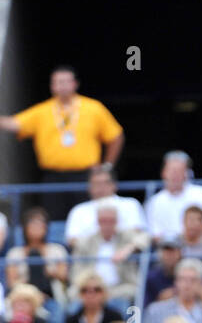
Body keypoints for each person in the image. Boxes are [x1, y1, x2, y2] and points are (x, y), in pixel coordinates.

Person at [0, 67, 123, 214]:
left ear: (75, 84)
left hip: (85, 176)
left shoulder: (94, 108)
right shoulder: (42, 111)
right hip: (53, 176)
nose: (63, 85)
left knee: (86, 214)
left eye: (66, 81)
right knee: (53, 217)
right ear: (52, 86)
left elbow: (116, 136)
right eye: (58, 82)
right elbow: (15, 123)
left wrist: (107, 166)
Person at [64, 163, 147, 245]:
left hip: (124, 253)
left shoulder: (130, 204)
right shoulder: (79, 210)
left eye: (105, 183)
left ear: (114, 185)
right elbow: (72, 240)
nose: (101, 187)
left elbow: (137, 232)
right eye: (96, 184)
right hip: (91, 254)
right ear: (89, 187)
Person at [145, 152, 202, 240]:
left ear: (187, 173)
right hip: (169, 249)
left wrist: (189, 237)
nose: (175, 174)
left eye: (180, 170)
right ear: (163, 172)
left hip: (201, 249)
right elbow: (154, 235)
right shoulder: (154, 202)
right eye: (172, 170)